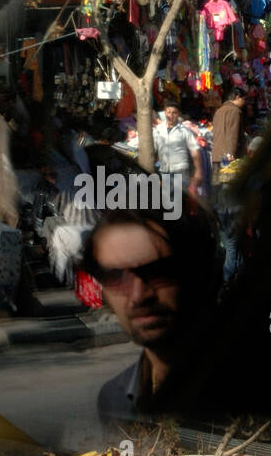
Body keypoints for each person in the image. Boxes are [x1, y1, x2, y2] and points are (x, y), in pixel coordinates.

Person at [83, 205, 223, 425]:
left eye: (159, 271)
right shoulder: (114, 400)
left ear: (199, 274)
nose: (138, 296)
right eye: (116, 277)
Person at [152, 101, 203, 194]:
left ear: (178, 114)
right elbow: (153, 150)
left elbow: (195, 150)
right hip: (164, 171)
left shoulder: (184, 130)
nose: (170, 115)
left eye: (174, 113)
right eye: (168, 112)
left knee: (179, 202)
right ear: (165, 113)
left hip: (181, 172)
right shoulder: (158, 130)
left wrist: (198, 171)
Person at [211, 88, 246, 165]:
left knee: (217, 176)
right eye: (244, 99)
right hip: (227, 156)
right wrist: (230, 154)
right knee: (228, 176)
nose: (244, 102)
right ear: (237, 97)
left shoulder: (219, 111)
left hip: (216, 154)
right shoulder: (234, 111)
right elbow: (232, 134)